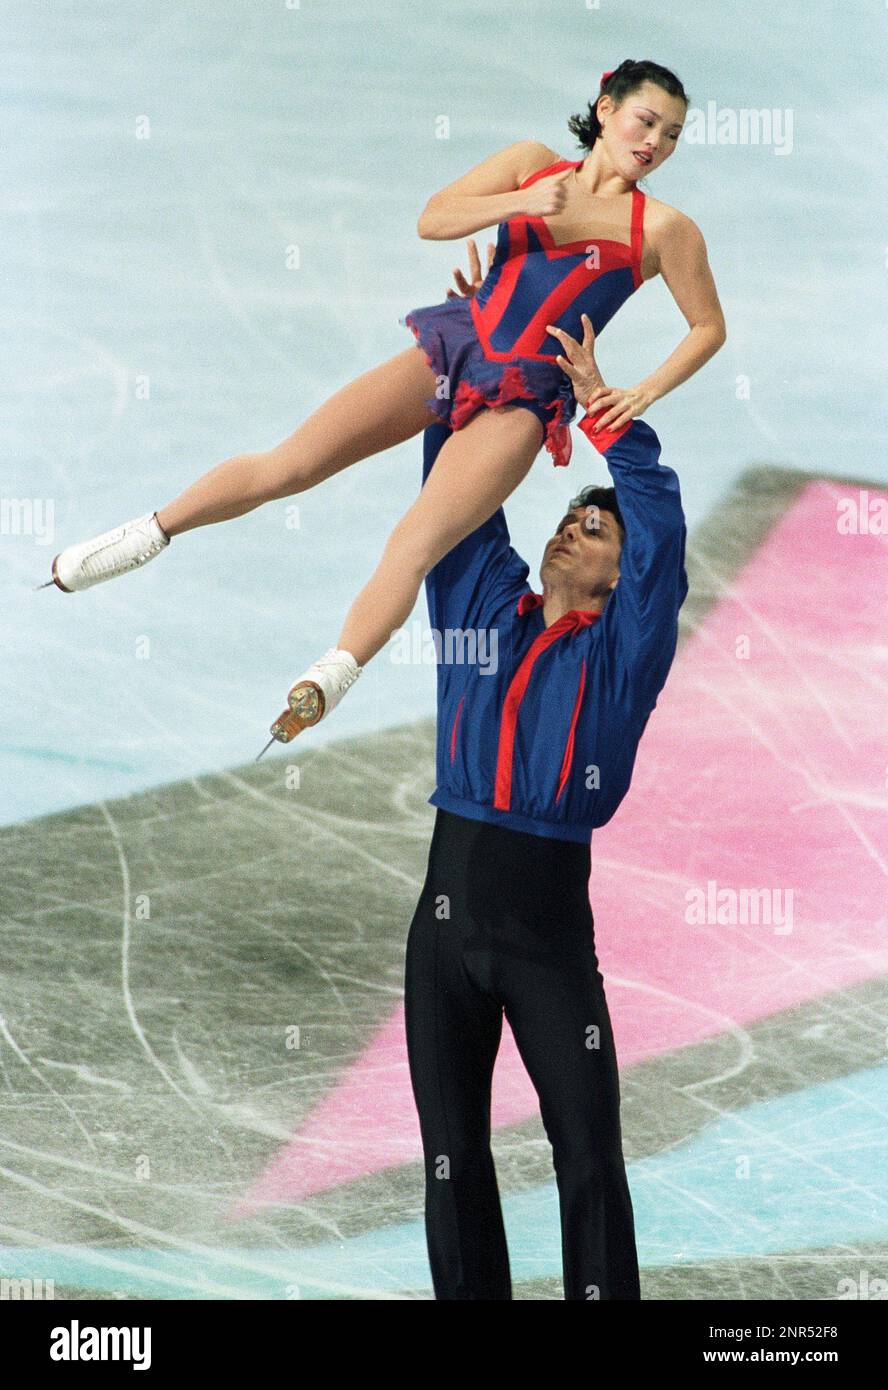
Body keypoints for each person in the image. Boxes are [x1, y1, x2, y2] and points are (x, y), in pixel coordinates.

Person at [43, 60, 723, 747]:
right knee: (293, 464)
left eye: (671, 136)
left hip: (522, 398)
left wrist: (640, 391)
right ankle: (147, 535)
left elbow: (708, 328)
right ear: (606, 109)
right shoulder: (530, 164)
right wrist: (515, 205)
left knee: (413, 545)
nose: (655, 143)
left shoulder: (665, 229)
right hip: (457, 343)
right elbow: (435, 217)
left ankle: (331, 675)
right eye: (647, 121)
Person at [404, 309, 688, 1301]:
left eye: (595, 526)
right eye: (570, 516)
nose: (574, 525)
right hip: (441, 930)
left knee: (586, 1161)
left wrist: (604, 412)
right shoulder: (484, 614)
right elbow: (456, 499)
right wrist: (478, 365)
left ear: (621, 575)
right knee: (450, 1161)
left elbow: (662, 524)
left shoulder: (624, 656)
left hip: (544, 933)